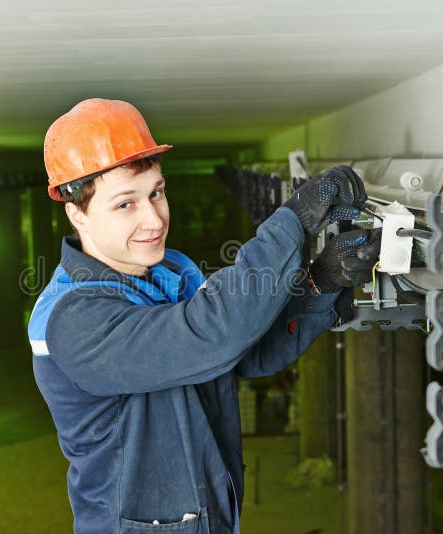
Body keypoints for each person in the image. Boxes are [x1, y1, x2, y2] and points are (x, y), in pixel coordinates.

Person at [28, 98, 380, 533]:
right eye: (125, 204)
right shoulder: (73, 318)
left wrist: (318, 284)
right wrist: (293, 221)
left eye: (156, 193)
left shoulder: (169, 271)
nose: (153, 219)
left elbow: (244, 355)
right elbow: (212, 334)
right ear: (77, 213)